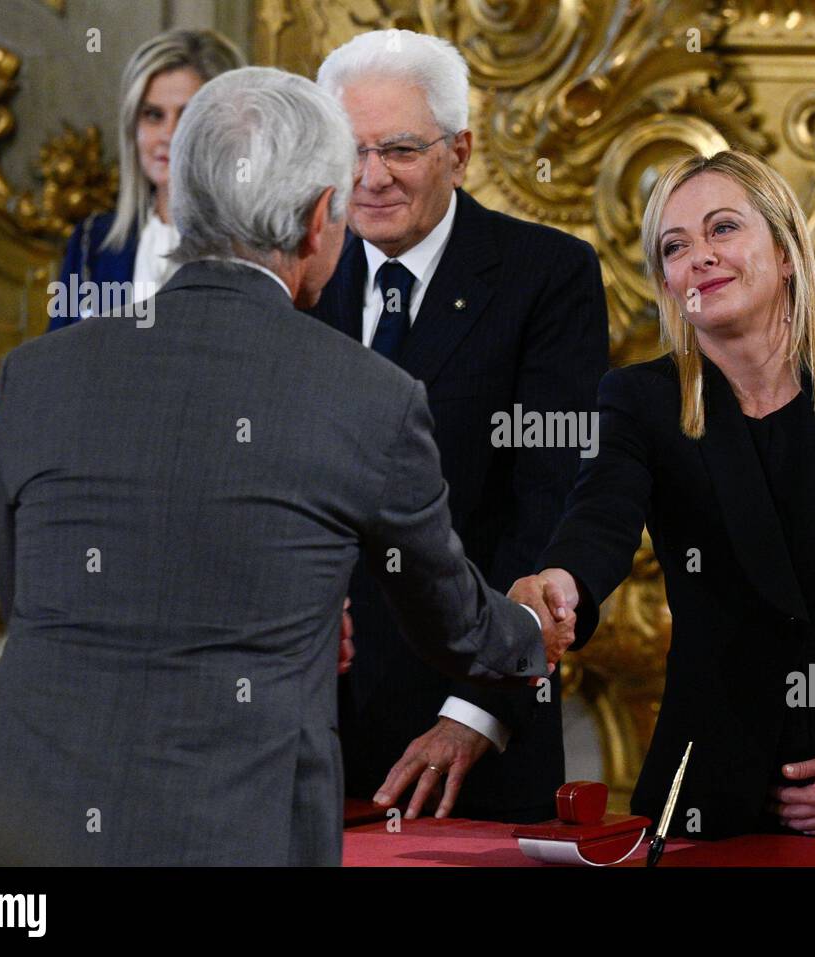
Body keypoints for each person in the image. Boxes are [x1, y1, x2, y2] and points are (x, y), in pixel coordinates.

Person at [0, 67, 574, 866]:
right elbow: (459, 630)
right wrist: (532, 629)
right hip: (228, 830)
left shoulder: (36, 373)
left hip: (5, 838)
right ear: (319, 220)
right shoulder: (367, 396)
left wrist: (285, 603)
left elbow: (29, 590)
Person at [513, 149, 815, 847]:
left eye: (723, 229)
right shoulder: (640, 401)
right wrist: (560, 584)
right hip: (717, 798)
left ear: (784, 252)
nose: (701, 256)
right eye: (675, 246)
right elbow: (599, 517)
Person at [308, 30, 609, 824]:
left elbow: (551, 509)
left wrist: (473, 712)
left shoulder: (547, 276)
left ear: (460, 150)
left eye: (400, 149)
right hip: (302, 727)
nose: (370, 178)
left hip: (472, 738)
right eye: (350, 149)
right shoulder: (298, 270)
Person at [46, 29, 244, 331]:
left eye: (188, 115)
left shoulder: (256, 247)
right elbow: (55, 363)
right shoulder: (91, 242)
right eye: (153, 115)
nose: (168, 135)